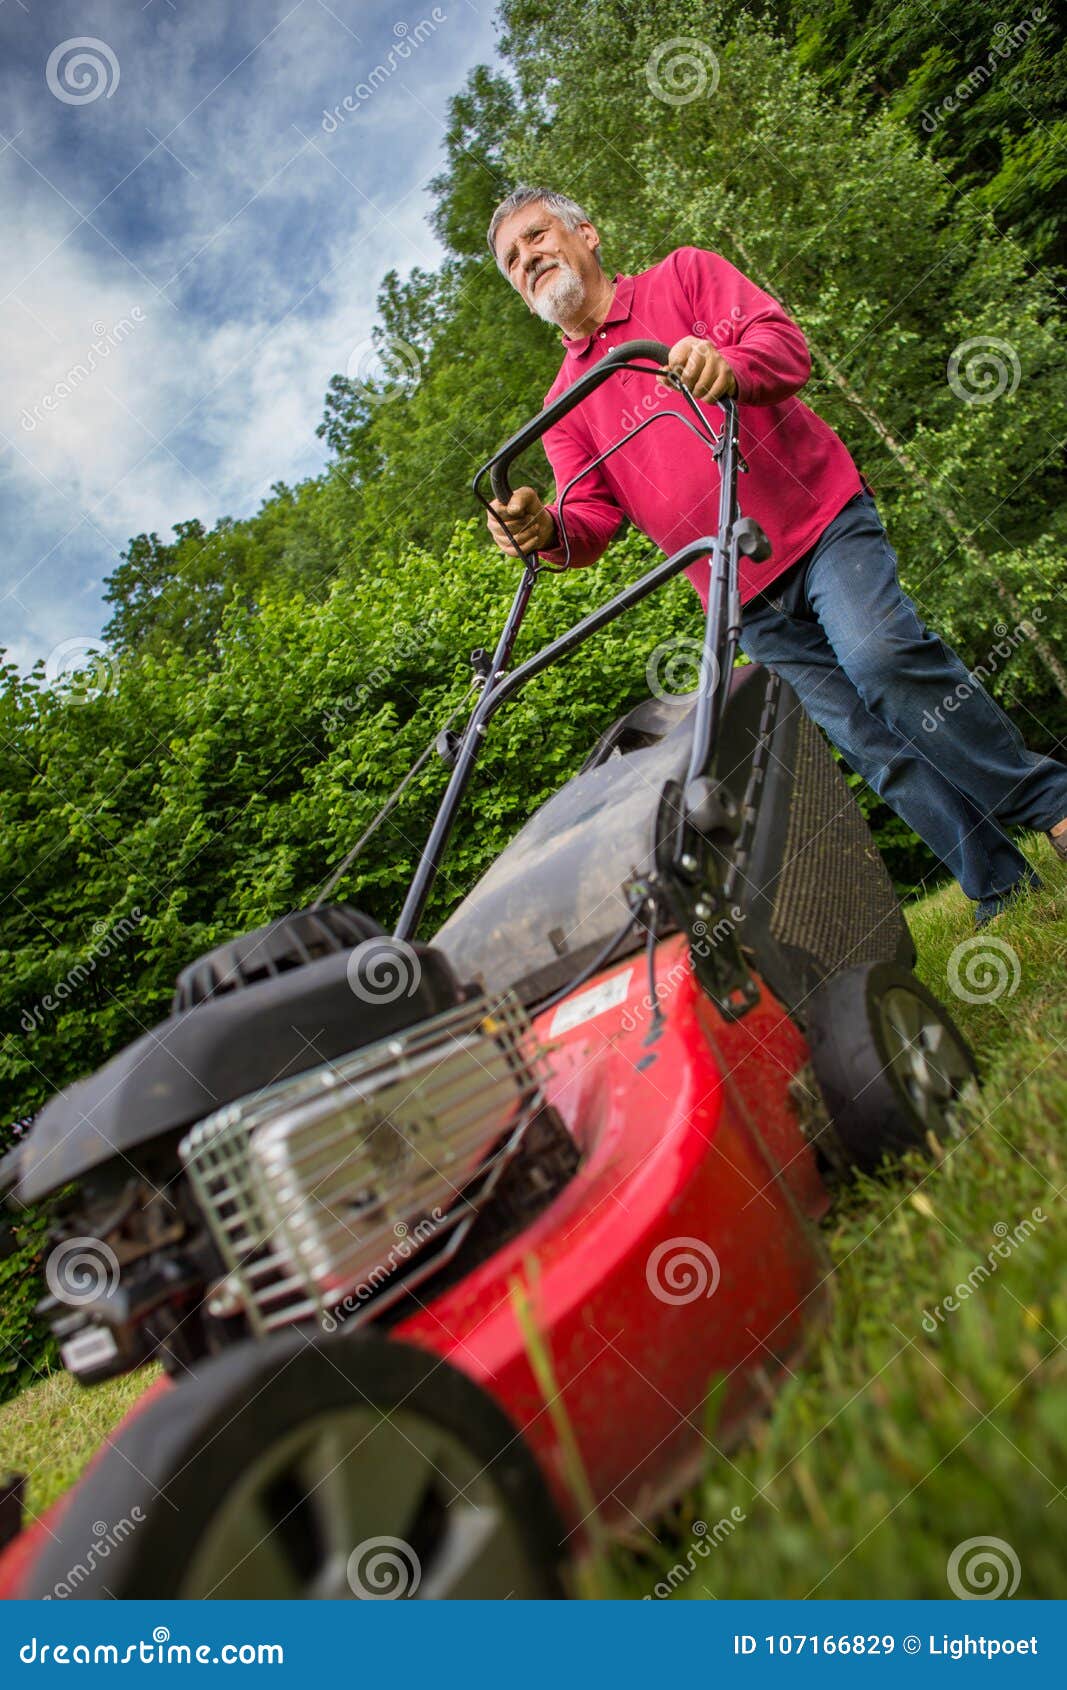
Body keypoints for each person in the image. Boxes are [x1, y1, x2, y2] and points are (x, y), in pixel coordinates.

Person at [484, 186, 1067, 927]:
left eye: (536, 237)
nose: (527, 258)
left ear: (586, 234)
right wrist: (545, 530)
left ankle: (1051, 806)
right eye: (511, 259)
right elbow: (590, 517)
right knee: (867, 742)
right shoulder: (564, 404)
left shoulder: (683, 278)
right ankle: (998, 884)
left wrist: (723, 361)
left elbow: (784, 347)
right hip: (739, 591)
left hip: (818, 521)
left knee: (882, 659)